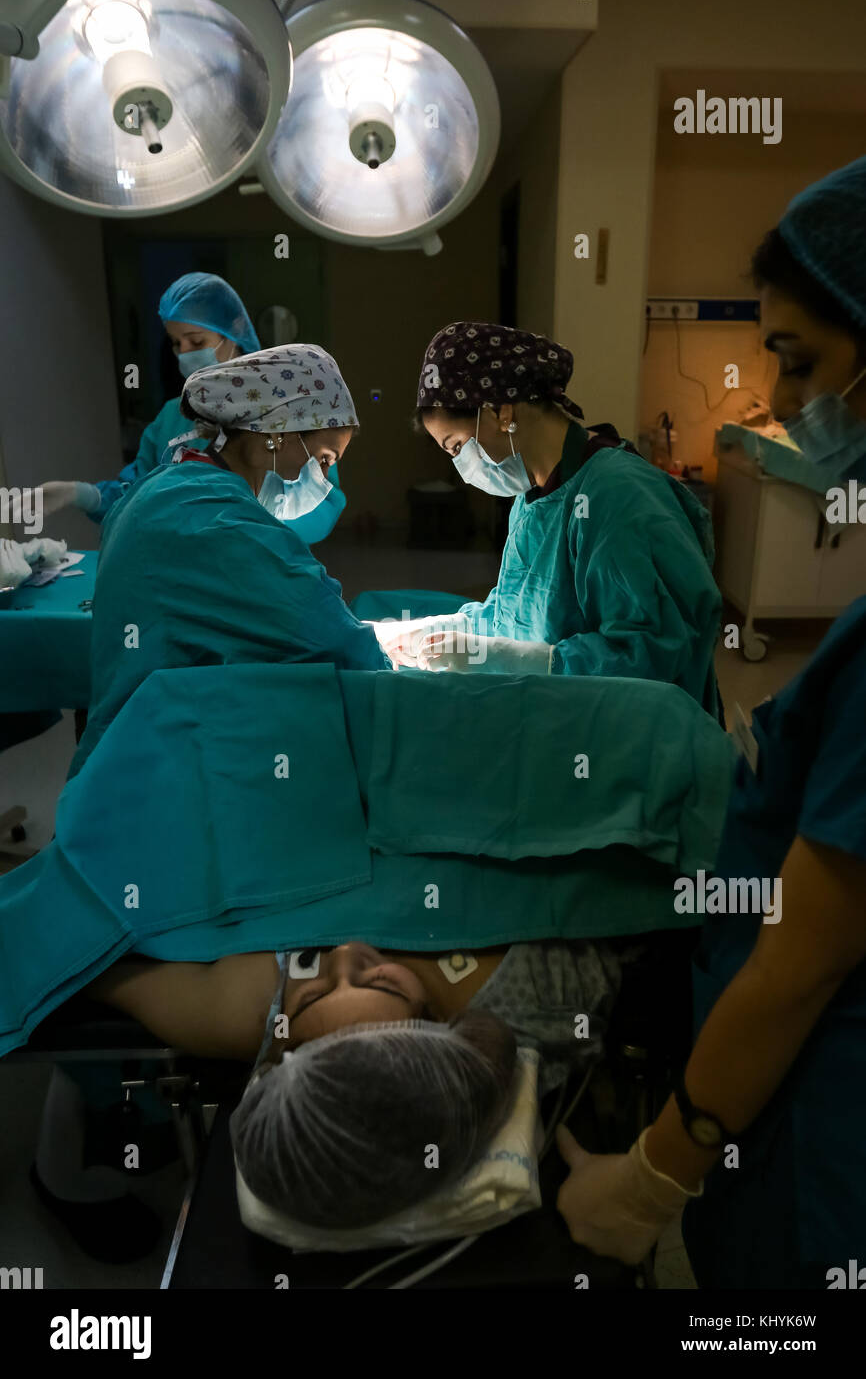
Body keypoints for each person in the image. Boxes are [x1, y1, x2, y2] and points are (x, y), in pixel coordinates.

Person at [555, 155, 866, 1289]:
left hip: (822, 1123)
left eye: (797, 361)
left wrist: (655, 1169)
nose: (778, 405)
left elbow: (803, 957)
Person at [80, 936, 627, 1233]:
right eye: (380, 978)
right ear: (440, 1034)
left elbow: (86, 961)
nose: (345, 951)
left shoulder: (239, 1011)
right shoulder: (544, 984)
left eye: (314, 991)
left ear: (281, 1051)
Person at [70, 344, 388, 777]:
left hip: (131, 749)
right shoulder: (216, 519)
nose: (324, 480)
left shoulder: (169, 486)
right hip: (160, 774)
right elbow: (334, 638)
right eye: (325, 459)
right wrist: (399, 673)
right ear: (277, 430)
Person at [380, 323, 722, 718]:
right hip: (557, 713)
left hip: (632, 739)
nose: (461, 465)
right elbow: (514, 614)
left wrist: (523, 661)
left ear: (500, 411)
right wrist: (438, 631)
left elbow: (652, 656)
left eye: (458, 446)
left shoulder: (619, 496)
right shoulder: (535, 498)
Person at [37, 273, 346, 546]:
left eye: (196, 341)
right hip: (182, 580)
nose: (184, 353)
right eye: (175, 343)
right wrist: (78, 494)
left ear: (233, 335)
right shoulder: (172, 417)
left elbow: (319, 510)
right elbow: (136, 496)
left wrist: (254, 510)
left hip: (259, 570)